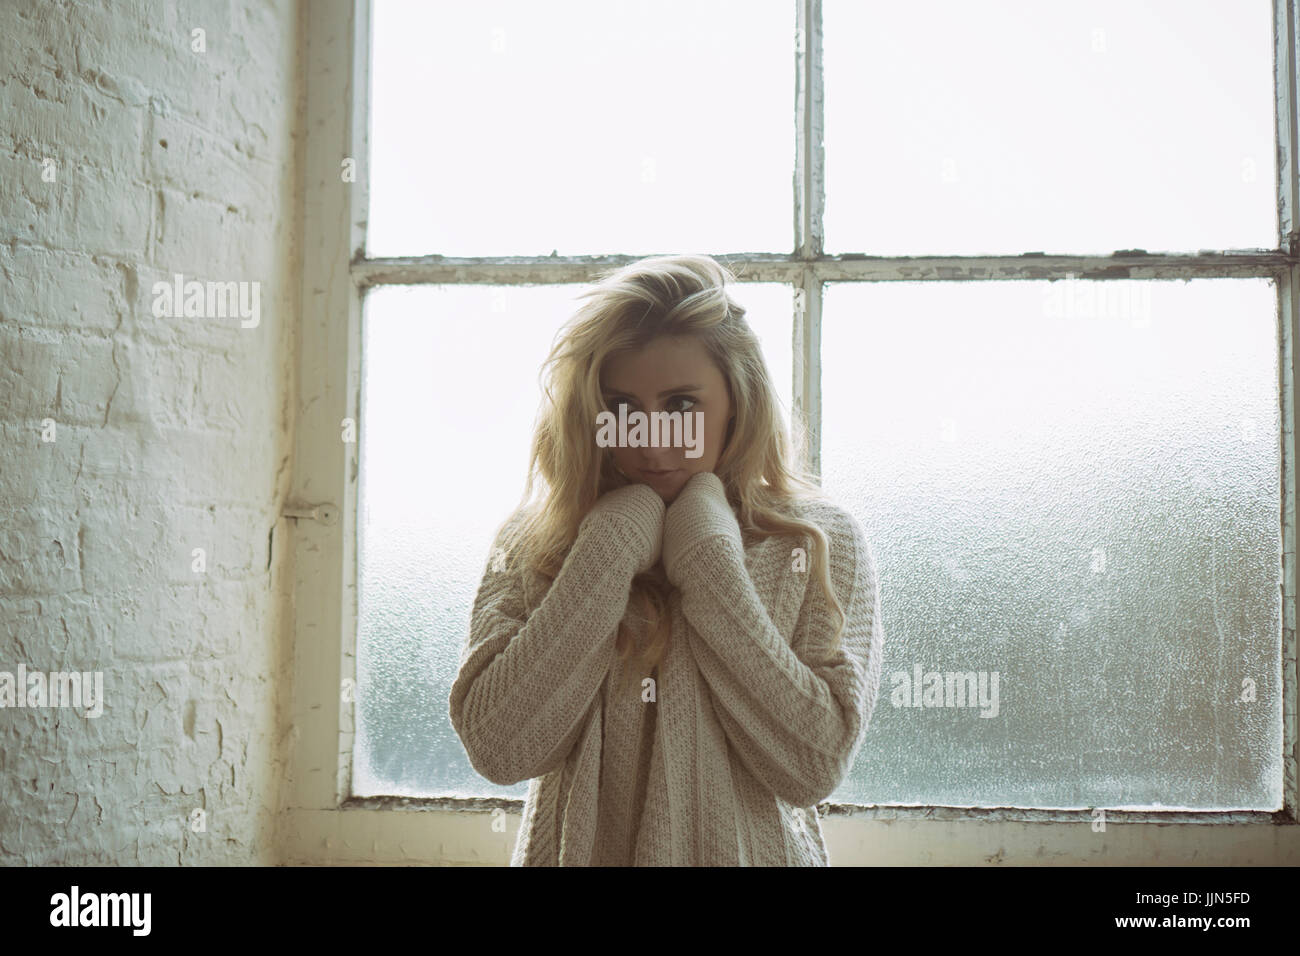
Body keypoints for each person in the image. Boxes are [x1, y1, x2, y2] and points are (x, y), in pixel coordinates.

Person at [448, 253, 884, 865]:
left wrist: (709, 560)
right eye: (623, 408)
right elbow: (500, 749)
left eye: (682, 405)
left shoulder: (815, 541)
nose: (651, 439)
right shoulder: (536, 541)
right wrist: (605, 551)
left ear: (738, 400)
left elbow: (813, 765)